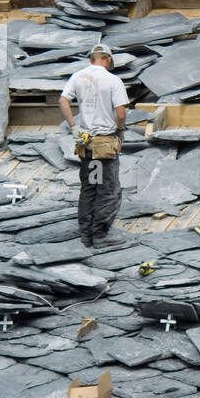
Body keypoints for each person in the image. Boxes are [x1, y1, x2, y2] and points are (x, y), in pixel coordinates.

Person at [59, 45, 128, 249]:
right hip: (104, 144)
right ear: (107, 60)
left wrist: (73, 127)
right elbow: (121, 113)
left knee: (90, 187)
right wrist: (120, 131)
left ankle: (86, 234)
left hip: (87, 143)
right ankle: (100, 235)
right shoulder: (113, 80)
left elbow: (63, 101)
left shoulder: (78, 76)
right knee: (107, 190)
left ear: (91, 59)